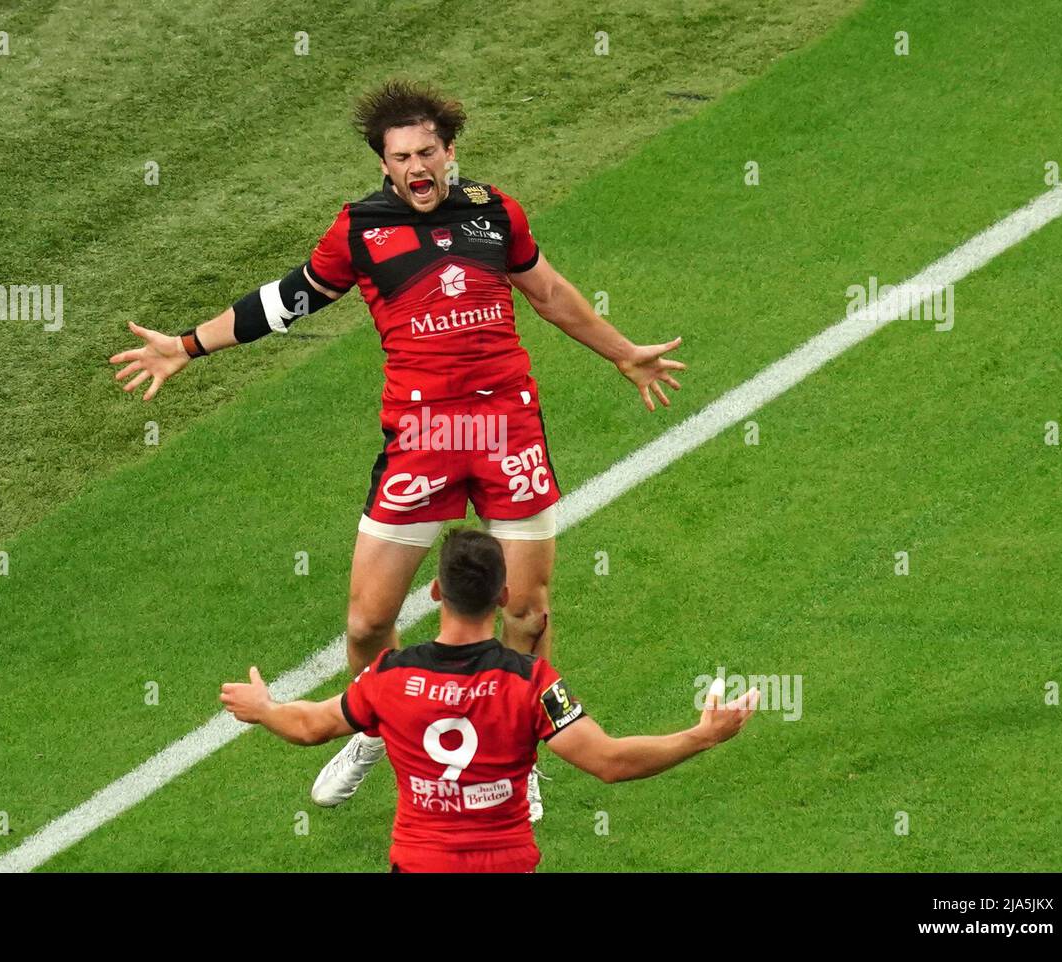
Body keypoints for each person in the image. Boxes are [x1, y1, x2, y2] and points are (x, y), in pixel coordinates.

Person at [115, 79, 688, 820]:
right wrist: (187, 347)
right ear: (384, 165)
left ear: (450, 152)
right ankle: (373, 729)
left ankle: (518, 760)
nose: (416, 167)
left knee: (531, 614)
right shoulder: (360, 228)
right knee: (365, 621)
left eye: (427, 152)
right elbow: (288, 299)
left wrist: (622, 352)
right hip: (421, 438)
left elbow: (547, 292)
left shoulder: (493, 212)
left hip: (507, 426)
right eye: (401, 157)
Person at [220, 529, 759, 873]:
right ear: (502, 596)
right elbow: (610, 762)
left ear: (435, 592)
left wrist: (263, 707)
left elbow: (312, 726)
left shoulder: (389, 675)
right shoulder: (531, 682)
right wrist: (702, 735)